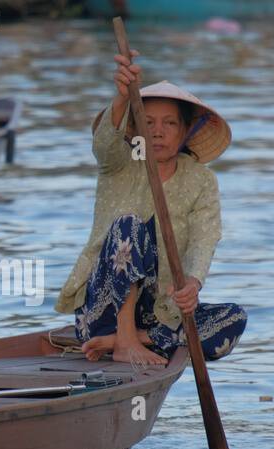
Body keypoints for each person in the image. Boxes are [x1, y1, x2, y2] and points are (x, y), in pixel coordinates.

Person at [55, 50, 247, 366]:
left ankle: (135, 340)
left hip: (161, 317)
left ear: (187, 131)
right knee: (128, 226)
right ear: (134, 127)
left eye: (169, 123)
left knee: (233, 318)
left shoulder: (202, 180)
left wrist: (192, 284)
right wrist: (121, 97)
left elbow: (204, 239)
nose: (157, 131)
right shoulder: (118, 164)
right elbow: (104, 145)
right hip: (102, 313)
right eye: (148, 122)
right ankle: (123, 336)